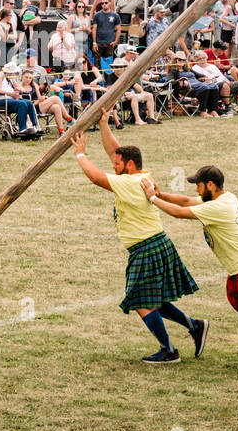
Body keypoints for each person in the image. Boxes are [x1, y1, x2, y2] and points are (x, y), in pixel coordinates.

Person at [70, 112, 202, 364]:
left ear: (129, 165)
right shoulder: (138, 175)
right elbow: (115, 152)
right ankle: (195, 326)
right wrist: (103, 124)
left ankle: (169, 351)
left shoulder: (129, 183)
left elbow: (96, 177)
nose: (113, 165)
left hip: (147, 247)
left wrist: (80, 153)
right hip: (154, 244)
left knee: (141, 300)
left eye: (118, 164)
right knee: (156, 299)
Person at [143, 165, 238, 367]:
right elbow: (185, 201)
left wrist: (152, 199)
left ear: (210, 185)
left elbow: (179, 212)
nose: (196, 190)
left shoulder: (216, 207)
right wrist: (160, 193)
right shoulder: (225, 198)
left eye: (198, 185)